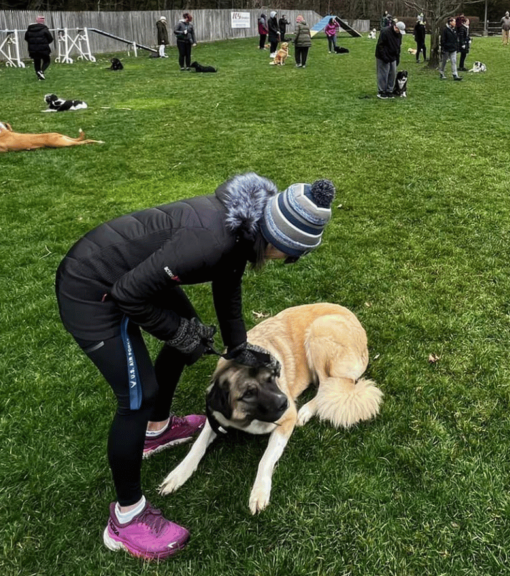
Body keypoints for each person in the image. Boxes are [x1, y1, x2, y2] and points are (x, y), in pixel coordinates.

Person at [56, 173, 335, 561]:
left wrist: (239, 347)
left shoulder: (243, 228)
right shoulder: (210, 241)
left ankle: (157, 432)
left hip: (134, 274)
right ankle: (127, 519)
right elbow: (127, 296)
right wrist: (179, 331)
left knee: (186, 340)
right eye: (292, 254)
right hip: (93, 289)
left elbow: (227, 286)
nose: (289, 262)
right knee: (138, 397)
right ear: (278, 239)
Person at [375, 20, 404, 98]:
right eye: (399, 30)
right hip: (383, 56)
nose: (399, 32)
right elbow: (380, 46)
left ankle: (389, 90)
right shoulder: (385, 32)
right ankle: (382, 91)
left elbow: (398, 46)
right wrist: (384, 57)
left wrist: (397, 57)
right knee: (383, 74)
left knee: (392, 73)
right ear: (396, 27)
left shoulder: (399, 35)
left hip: (393, 56)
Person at [24, 15, 54, 81]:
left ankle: (39, 75)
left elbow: (26, 38)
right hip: (43, 48)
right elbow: (50, 39)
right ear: (43, 21)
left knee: (36, 61)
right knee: (47, 60)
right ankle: (41, 71)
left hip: (33, 49)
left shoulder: (30, 29)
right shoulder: (45, 29)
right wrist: (45, 43)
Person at [439, 15, 461, 81]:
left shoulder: (454, 30)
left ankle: (455, 74)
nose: (455, 23)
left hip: (453, 48)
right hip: (446, 48)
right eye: (454, 21)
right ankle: (441, 72)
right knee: (444, 61)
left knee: (454, 61)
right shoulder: (445, 30)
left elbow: (456, 39)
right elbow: (443, 39)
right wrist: (443, 47)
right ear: (450, 22)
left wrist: (457, 47)